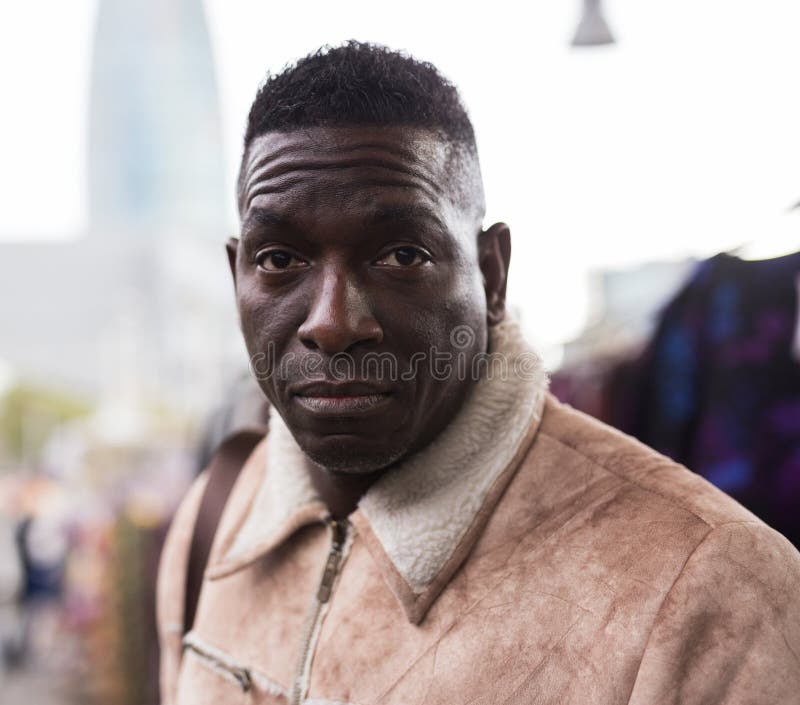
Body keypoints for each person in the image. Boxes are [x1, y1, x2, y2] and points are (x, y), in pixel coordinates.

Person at [157, 42, 800, 705]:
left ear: (491, 275)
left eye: (402, 254)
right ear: (236, 274)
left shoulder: (709, 588)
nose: (332, 322)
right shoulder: (217, 517)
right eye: (278, 259)